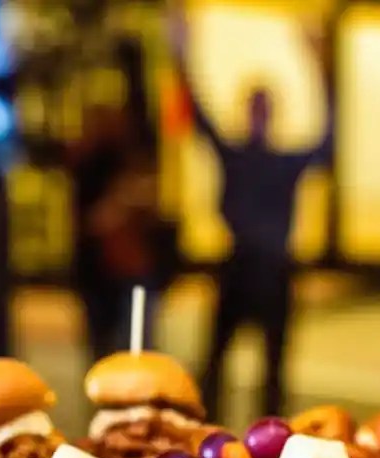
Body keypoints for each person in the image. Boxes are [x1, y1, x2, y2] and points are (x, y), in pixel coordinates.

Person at [172, 15, 332, 419]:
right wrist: (181, 48)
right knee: (214, 366)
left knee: (273, 373)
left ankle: (270, 446)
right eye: (254, 105)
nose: (259, 114)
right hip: (240, 264)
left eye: (265, 106)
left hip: (275, 269)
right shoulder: (237, 155)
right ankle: (206, 436)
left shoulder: (284, 162)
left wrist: (321, 64)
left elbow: (328, 140)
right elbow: (198, 113)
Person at [70, 105, 166, 360]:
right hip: (100, 274)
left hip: (136, 271)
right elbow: (92, 222)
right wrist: (121, 199)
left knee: (136, 347)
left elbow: (153, 206)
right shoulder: (87, 170)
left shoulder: (137, 160)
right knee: (103, 348)